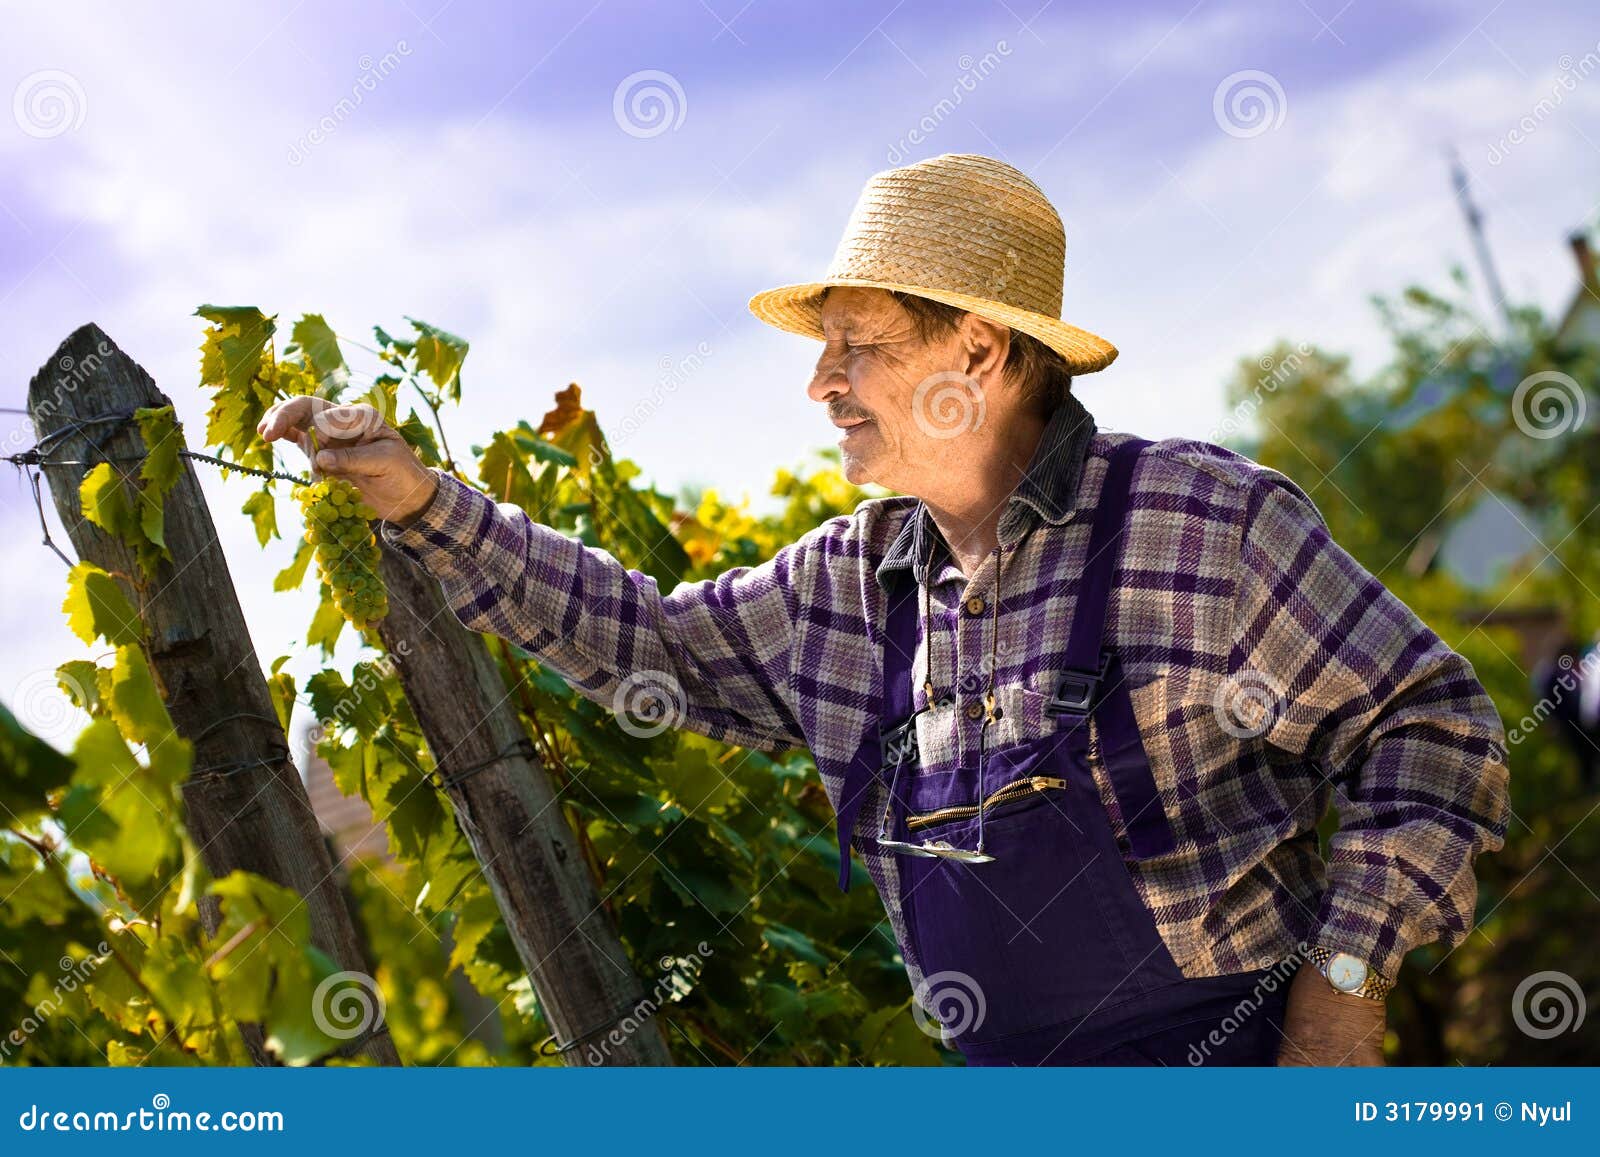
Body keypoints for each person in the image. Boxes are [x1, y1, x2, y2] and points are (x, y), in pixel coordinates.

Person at [259, 153, 1510, 1067]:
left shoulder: (1200, 525)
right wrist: (420, 497)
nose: (821, 381)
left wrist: (1343, 988)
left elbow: (1432, 726)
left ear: (976, 347)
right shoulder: (849, 586)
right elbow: (649, 641)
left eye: (855, 344)